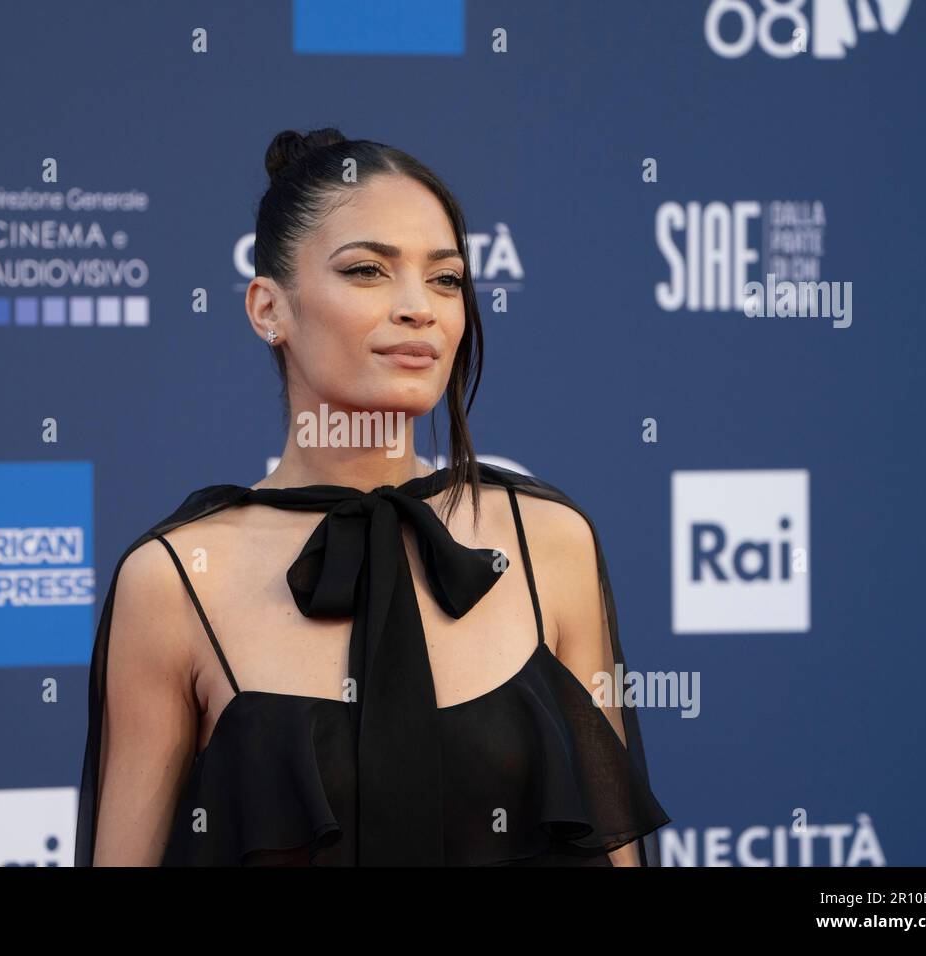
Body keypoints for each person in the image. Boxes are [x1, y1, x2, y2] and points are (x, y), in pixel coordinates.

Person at [75, 128, 670, 866]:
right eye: (366, 271)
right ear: (268, 309)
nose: (419, 307)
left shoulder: (551, 542)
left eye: (446, 279)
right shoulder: (175, 580)